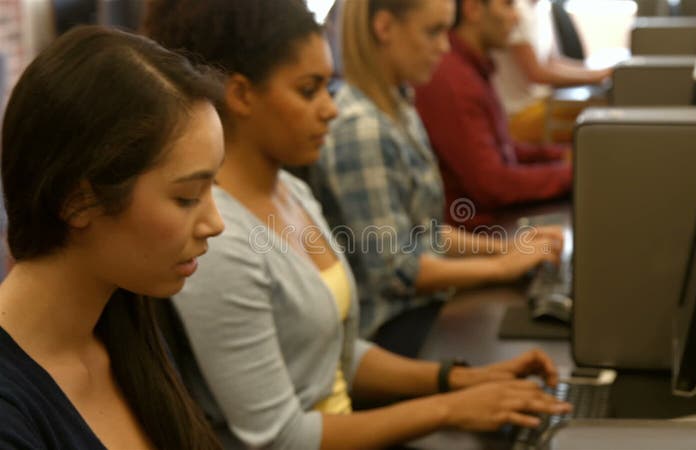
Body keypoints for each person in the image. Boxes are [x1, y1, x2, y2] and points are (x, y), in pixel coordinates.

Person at [144, 1, 571, 449]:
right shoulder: (221, 242)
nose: (331, 109)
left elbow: (336, 356)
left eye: (328, 87)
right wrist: (451, 406)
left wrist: (461, 379)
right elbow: (282, 438)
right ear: (242, 95)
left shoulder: (292, 190)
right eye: (310, 90)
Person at [0, 26, 225, 449]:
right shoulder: (12, 412)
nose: (215, 222)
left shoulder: (123, 316)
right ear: (77, 202)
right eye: (187, 197)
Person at [310, 0, 563, 357]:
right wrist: (500, 266)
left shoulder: (398, 105)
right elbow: (397, 270)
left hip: (419, 310)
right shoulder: (362, 129)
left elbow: (424, 234)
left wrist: (507, 249)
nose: (445, 46)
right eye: (433, 32)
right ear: (384, 28)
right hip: (390, 334)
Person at [415, 0, 573, 230]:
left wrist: (560, 157)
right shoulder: (455, 80)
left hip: (492, 219)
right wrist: (572, 174)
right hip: (481, 230)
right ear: (473, 9)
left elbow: (503, 150)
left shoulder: (471, 67)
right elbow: (493, 184)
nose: (516, 17)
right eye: (507, 5)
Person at [492, 0, 611, 144]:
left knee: (603, 110)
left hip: (543, 102)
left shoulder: (543, 7)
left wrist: (595, 71)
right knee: (602, 120)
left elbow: (552, 61)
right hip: (519, 113)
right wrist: (595, 76)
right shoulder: (516, 10)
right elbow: (537, 73)